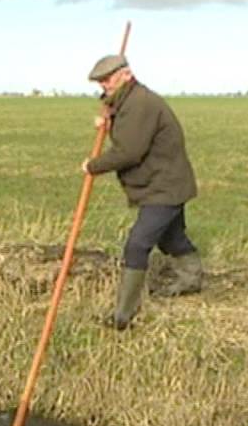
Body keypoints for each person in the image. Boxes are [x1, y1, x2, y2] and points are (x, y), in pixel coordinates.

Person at [80, 54, 203, 330]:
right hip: (162, 183)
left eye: (107, 80)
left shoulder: (140, 104)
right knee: (171, 238)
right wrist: (109, 120)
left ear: (126, 74)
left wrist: (93, 166)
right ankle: (191, 279)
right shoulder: (130, 100)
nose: (104, 86)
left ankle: (123, 315)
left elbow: (130, 151)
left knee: (137, 245)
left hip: (163, 186)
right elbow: (128, 126)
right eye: (100, 82)